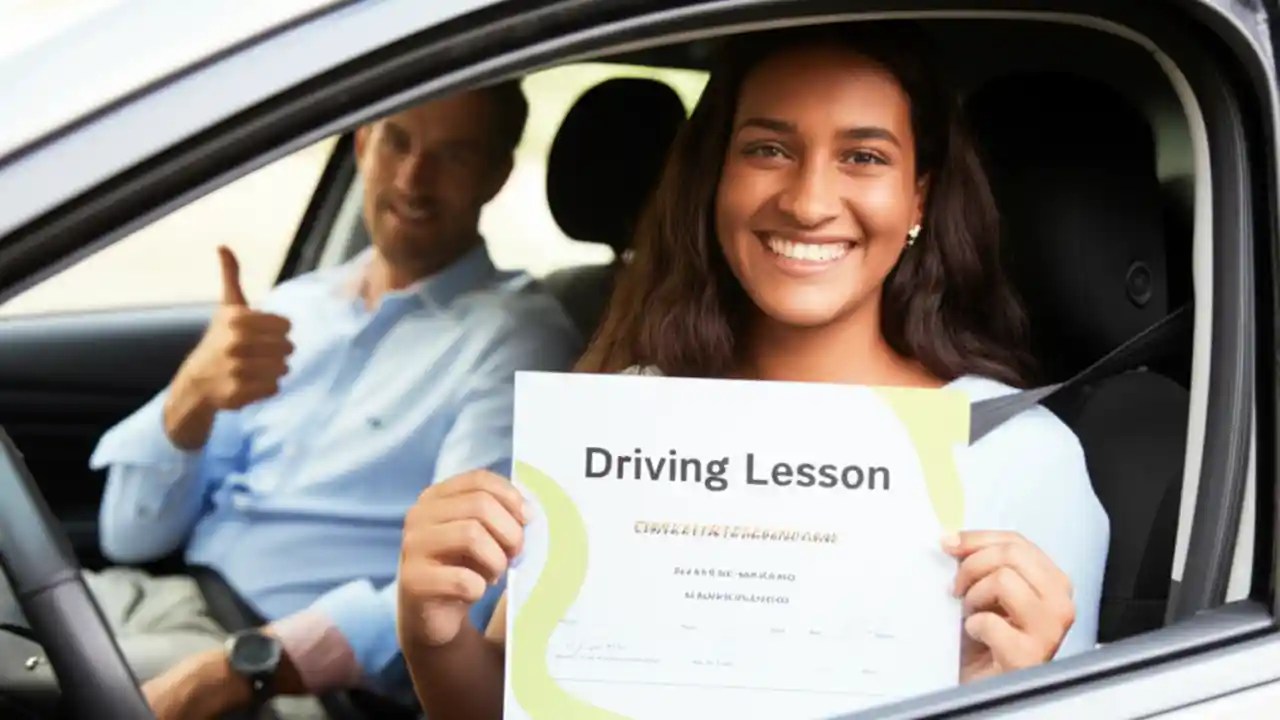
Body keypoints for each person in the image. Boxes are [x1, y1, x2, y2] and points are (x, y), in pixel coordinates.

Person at [392, 21, 1110, 720]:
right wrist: (433, 633)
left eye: (864, 156)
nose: (808, 203)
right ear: (717, 178)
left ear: (918, 195)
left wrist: (1014, 694)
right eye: (768, 149)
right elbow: (517, 702)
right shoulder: (621, 415)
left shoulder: (1019, 455)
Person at [82, 81, 583, 719]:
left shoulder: (515, 339)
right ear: (363, 142)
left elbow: (467, 593)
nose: (413, 179)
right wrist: (190, 398)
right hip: (167, 601)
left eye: (453, 155)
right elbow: (129, 537)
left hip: (285, 678)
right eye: (397, 141)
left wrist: (240, 668)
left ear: (495, 175)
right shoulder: (296, 305)